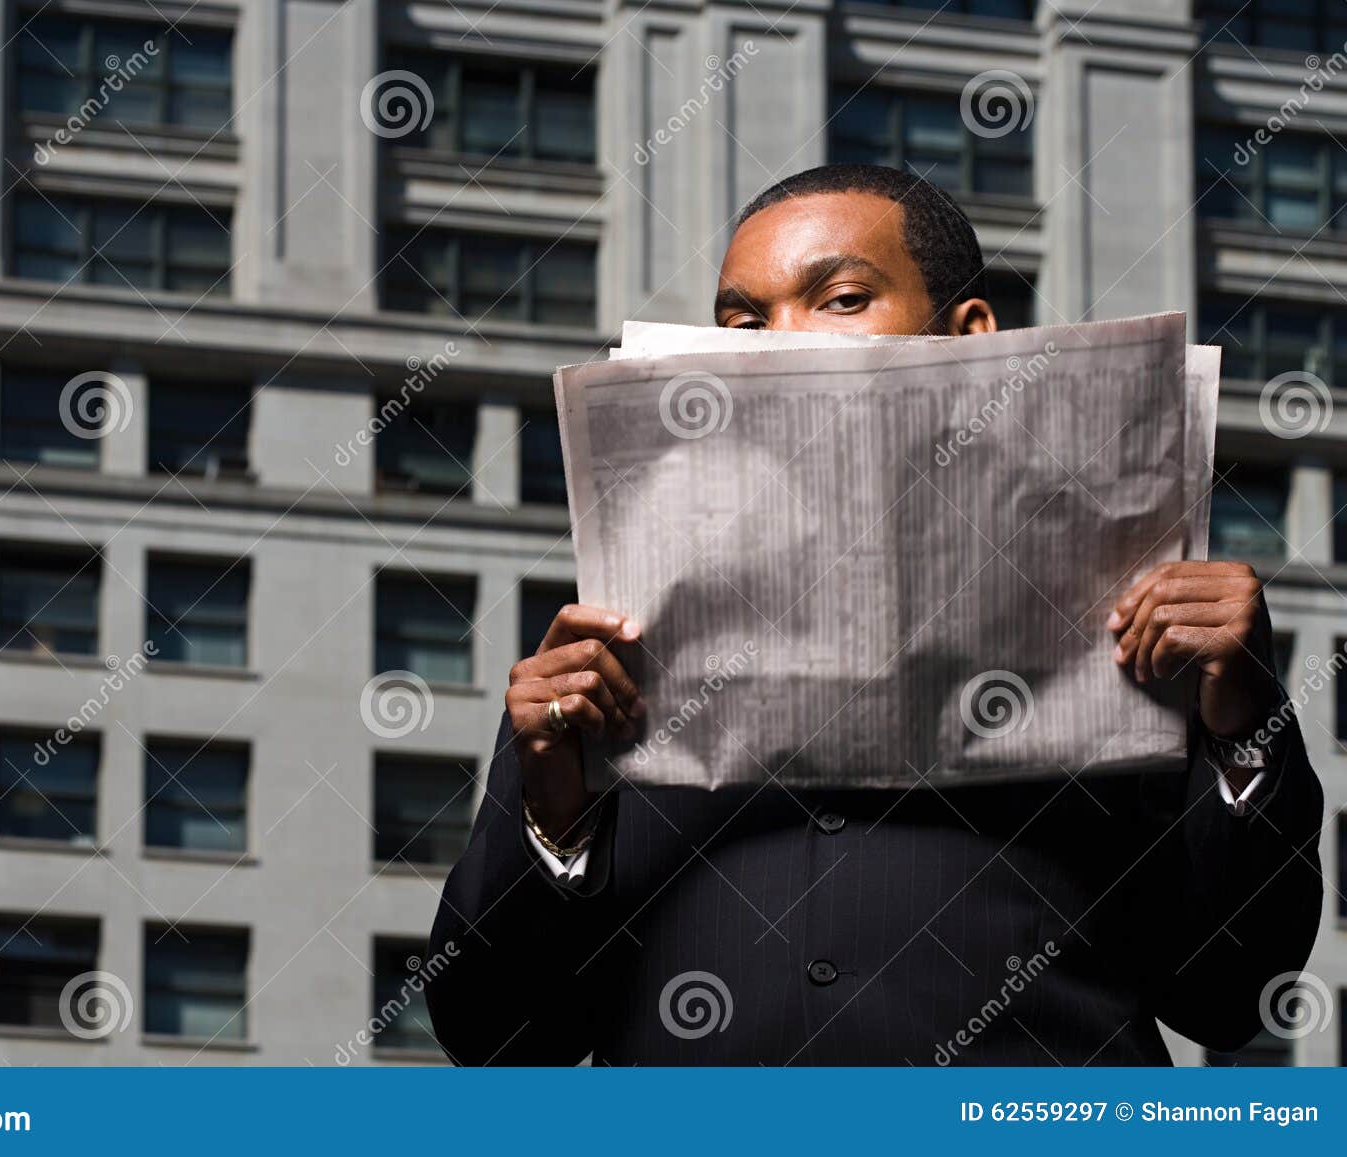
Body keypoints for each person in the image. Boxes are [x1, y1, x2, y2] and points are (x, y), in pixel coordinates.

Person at [425, 164, 1324, 1065]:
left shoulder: (1133, 599)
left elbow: (1229, 994)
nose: (777, 345)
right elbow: (490, 1034)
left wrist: (1242, 729)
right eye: (742, 323)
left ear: (968, 335)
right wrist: (555, 821)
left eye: (842, 298)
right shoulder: (612, 639)